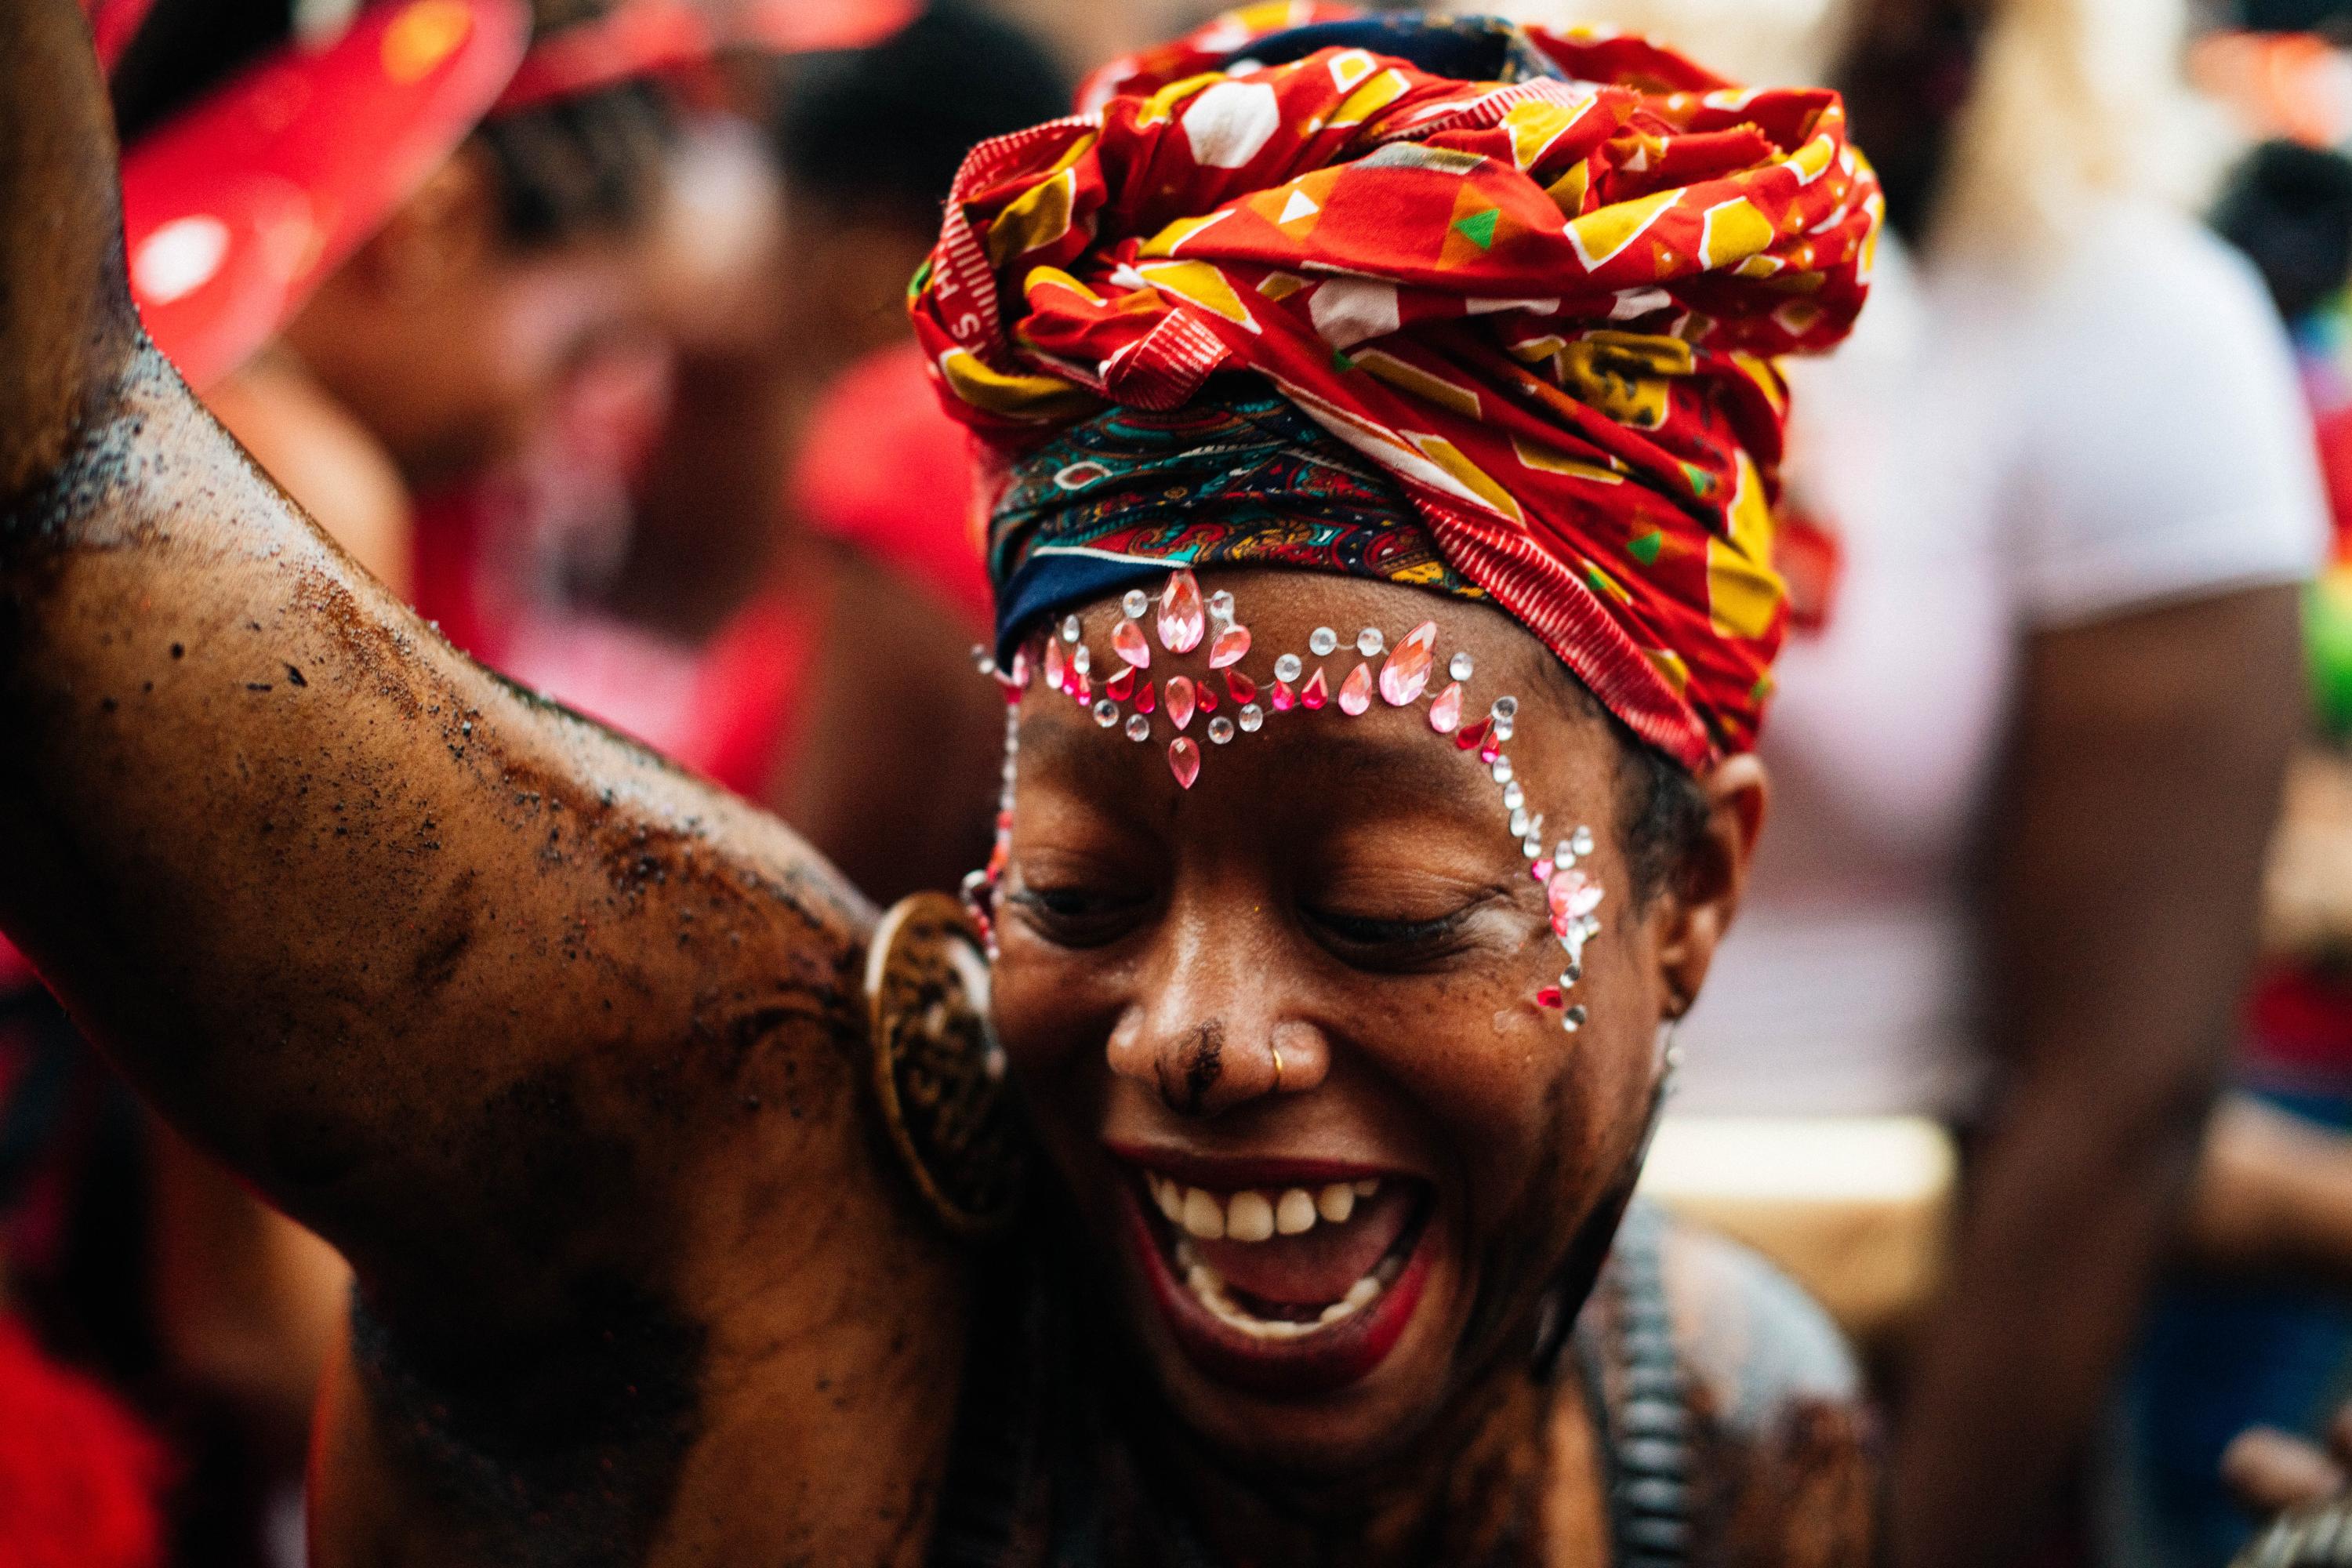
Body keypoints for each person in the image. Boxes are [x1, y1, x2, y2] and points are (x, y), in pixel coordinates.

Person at [1, 4, 1886, 1563]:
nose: (1198, 1037)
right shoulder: (738, 1239)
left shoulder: (1734, 1437)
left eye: (1378, 908)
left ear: (1694, 895)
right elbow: (44, 493)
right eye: (1077, 889)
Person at [1602, 0, 2322, 1563]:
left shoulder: (2137, 326)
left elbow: (2117, 1093)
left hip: (1894, 1371)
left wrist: (1910, 1530)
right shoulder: (1475, 269)